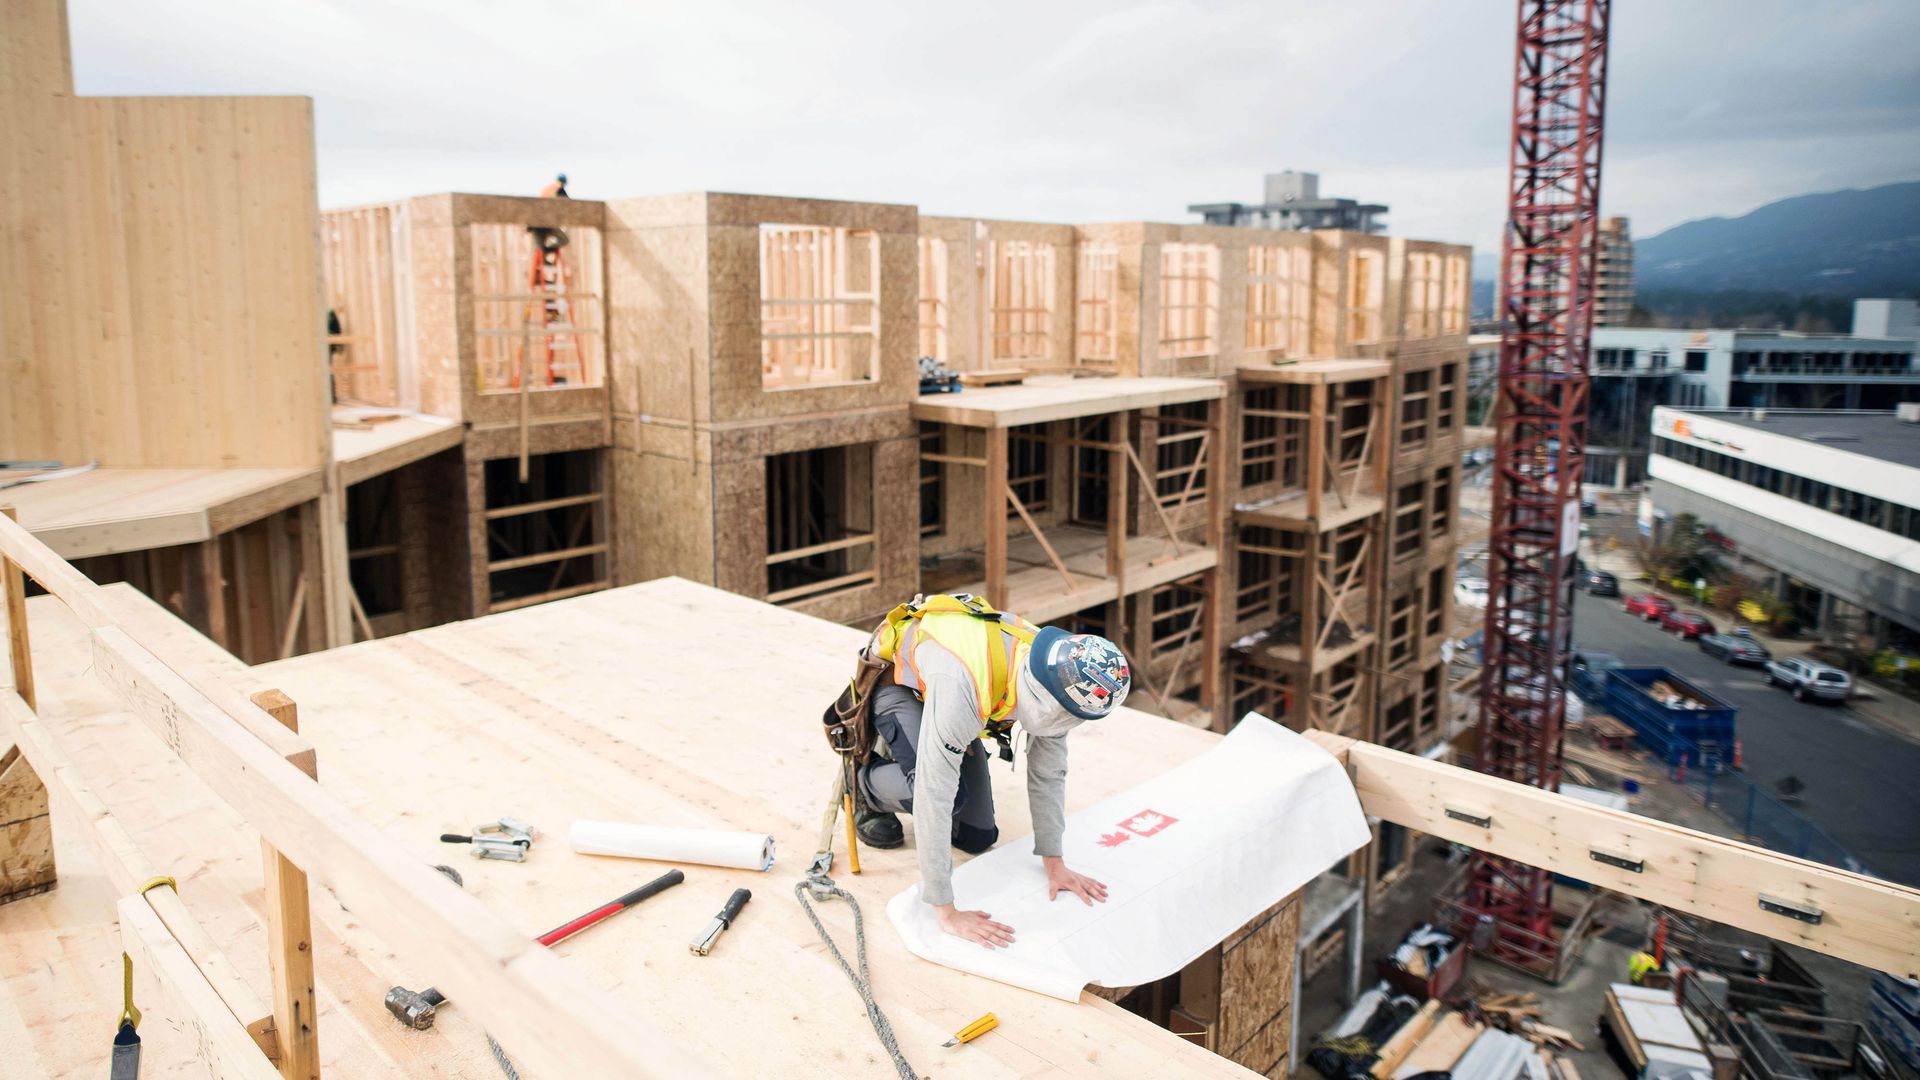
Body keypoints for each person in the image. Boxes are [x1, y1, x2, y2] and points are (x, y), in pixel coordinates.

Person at [854, 595, 1130, 949]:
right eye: (1064, 718)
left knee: (977, 836)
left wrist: (1054, 861)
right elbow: (933, 794)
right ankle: (863, 783)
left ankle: (913, 749)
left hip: (952, 693)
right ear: (1045, 702)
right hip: (896, 684)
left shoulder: (1063, 682)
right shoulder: (965, 686)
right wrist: (946, 912)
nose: (1066, 725)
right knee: (943, 791)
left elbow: (1048, 773)